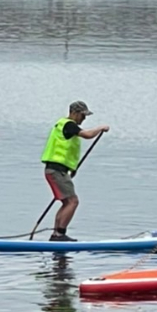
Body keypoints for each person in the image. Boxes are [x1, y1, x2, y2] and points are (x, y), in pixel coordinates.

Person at [40, 101, 110, 241]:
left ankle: (56, 235)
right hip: (56, 170)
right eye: (82, 115)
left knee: (67, 202)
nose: (84, 119)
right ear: (74, 113)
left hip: (57, 170)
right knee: (73, 201)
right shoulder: (68, 124)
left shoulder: (65, 126)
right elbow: (88, 135)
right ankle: (59, 234)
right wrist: (100, 128)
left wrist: (72, 168)